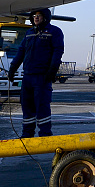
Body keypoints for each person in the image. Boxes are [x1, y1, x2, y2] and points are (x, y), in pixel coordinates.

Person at [7, 8, 64, 138]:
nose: (36, 18)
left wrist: (52, 71)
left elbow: (58, 52)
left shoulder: (54, 32)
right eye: (34, 16)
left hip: (42, 77)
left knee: (42, 105)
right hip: (27, 77)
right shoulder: (29, 33)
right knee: (26, 106)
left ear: (45, 17)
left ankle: (45, 134)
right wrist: (12, 69)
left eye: (39, 15)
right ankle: (27, 134)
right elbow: (21, 52)